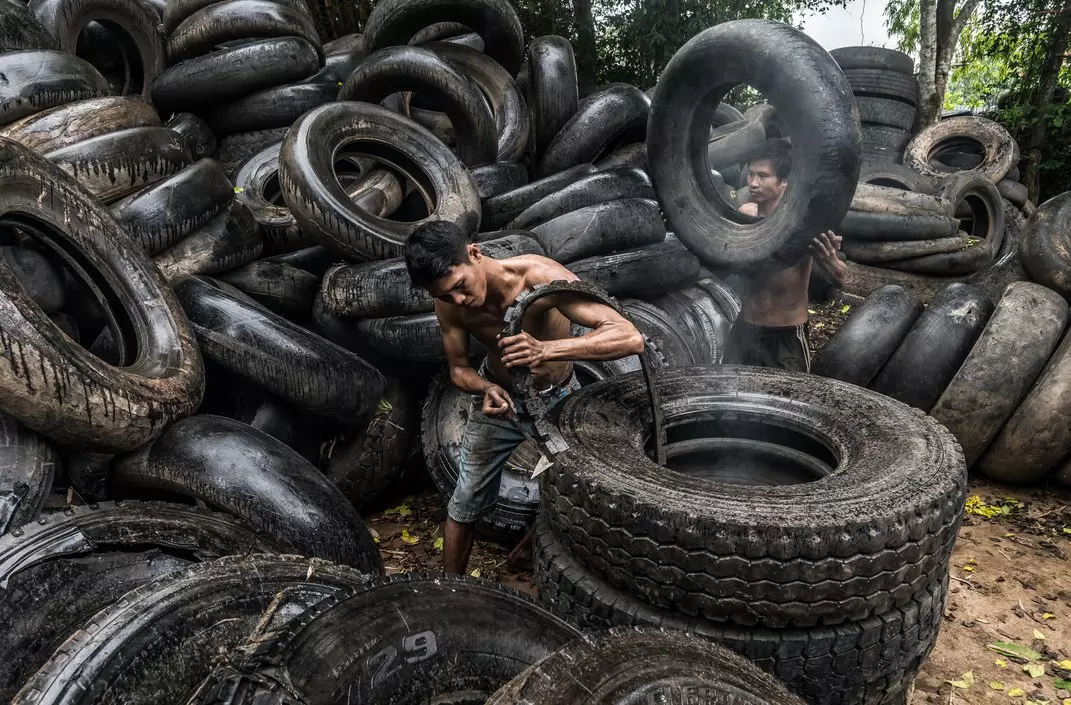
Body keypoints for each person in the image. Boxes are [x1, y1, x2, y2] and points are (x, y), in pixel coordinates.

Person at [405, 221, 645, 575]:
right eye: (444, 296)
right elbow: (458, 370)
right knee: (466, 499)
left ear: (474, 253)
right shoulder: (450, 305)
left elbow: (629, 337)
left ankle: (525, 555)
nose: (457, 300)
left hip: (560, 399)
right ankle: (451, 589)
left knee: (566, 487)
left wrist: (546, 349)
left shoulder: (539, 276)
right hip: (503, 402)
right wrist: (486, 389)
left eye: (459, 286)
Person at [722, 138, 847, 372]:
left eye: (763, 176)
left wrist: (830, 261)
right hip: (745, 329)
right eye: (751, 174)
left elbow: (840, 279)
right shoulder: (744, 214)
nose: (753, 183)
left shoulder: (804, 225)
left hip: (786, 337)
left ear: (784, 183)